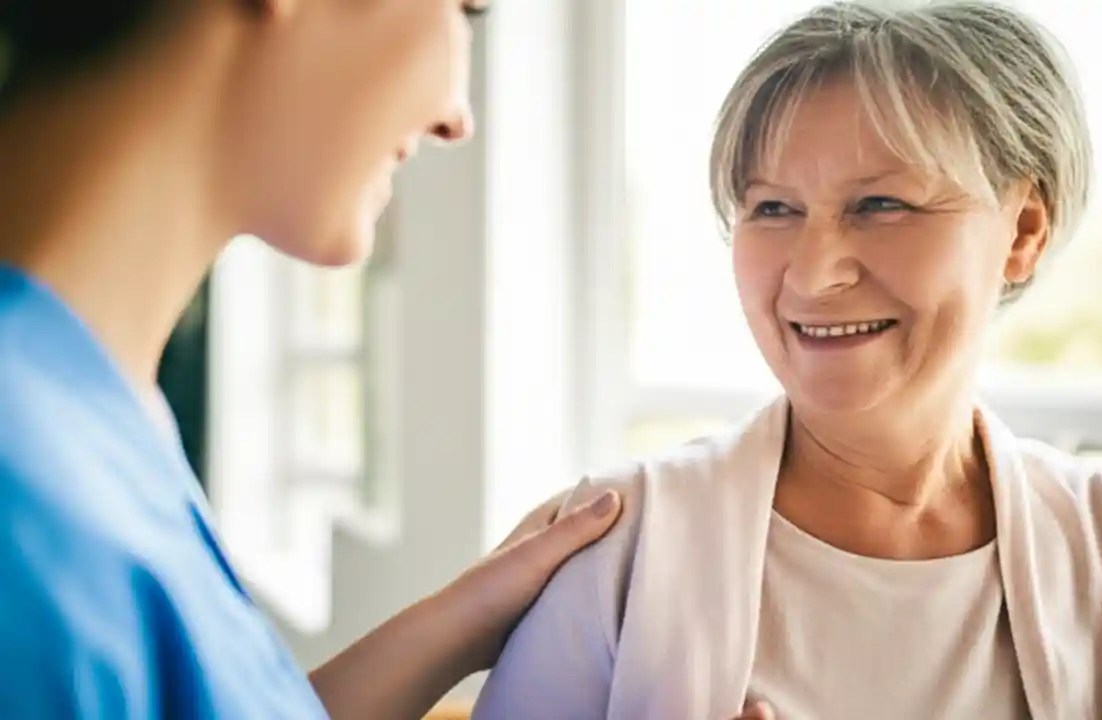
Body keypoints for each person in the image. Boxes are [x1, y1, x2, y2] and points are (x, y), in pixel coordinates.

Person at [474, 2, 1102, 719]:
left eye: (881, 204)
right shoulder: (614, 547)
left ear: (1024, 231)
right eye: (773, 208)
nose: (814, 271)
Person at [0, 1, 664, 718]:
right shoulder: (30, 491)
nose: (456, 115)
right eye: (464, 10)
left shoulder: (89, 410)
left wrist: (466, 616)